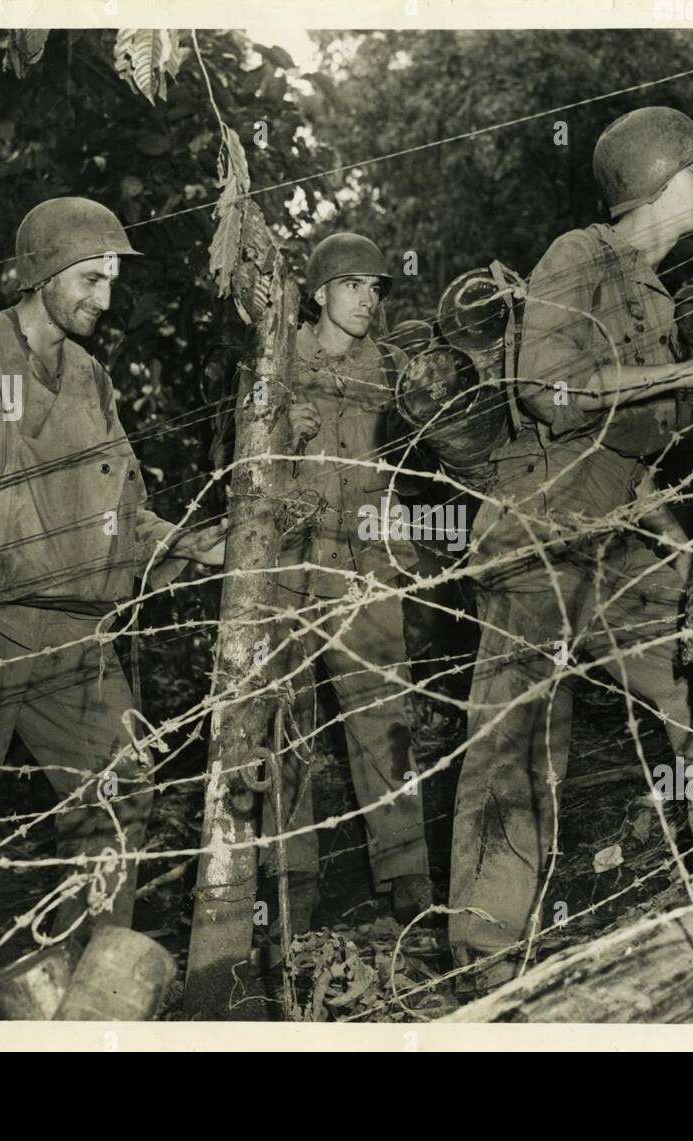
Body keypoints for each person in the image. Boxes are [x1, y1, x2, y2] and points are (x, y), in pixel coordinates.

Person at [449, 107, 693, 993]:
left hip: (615, 524)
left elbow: (632, 423)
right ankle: (486, 970)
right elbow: (547, 390)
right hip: (537, 530)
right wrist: (684, 372)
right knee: (516, 745)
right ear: (657, 182)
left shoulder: (652, 288)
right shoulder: (578, 256)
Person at [0, 197, 226, 1005]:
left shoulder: (91, 378)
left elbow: (120, 512)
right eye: (89, 278)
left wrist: (198, 543)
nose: (103, 299)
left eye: (110, 280)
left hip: (76, 631)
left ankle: (88, 983)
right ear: (41, 273)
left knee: (120, 794)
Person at [266, 233, 434, 932]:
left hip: (365, 566)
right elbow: (228, 462)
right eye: (353, 285)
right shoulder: (276, 361)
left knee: (385, 725)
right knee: (285, 729)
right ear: (320, 292)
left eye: (375, 287)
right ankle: (288, 894)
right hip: (287, 569)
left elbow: (425, 450)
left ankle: (408, 886)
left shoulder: (389, 369)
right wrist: (275, 426)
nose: (368, 299)